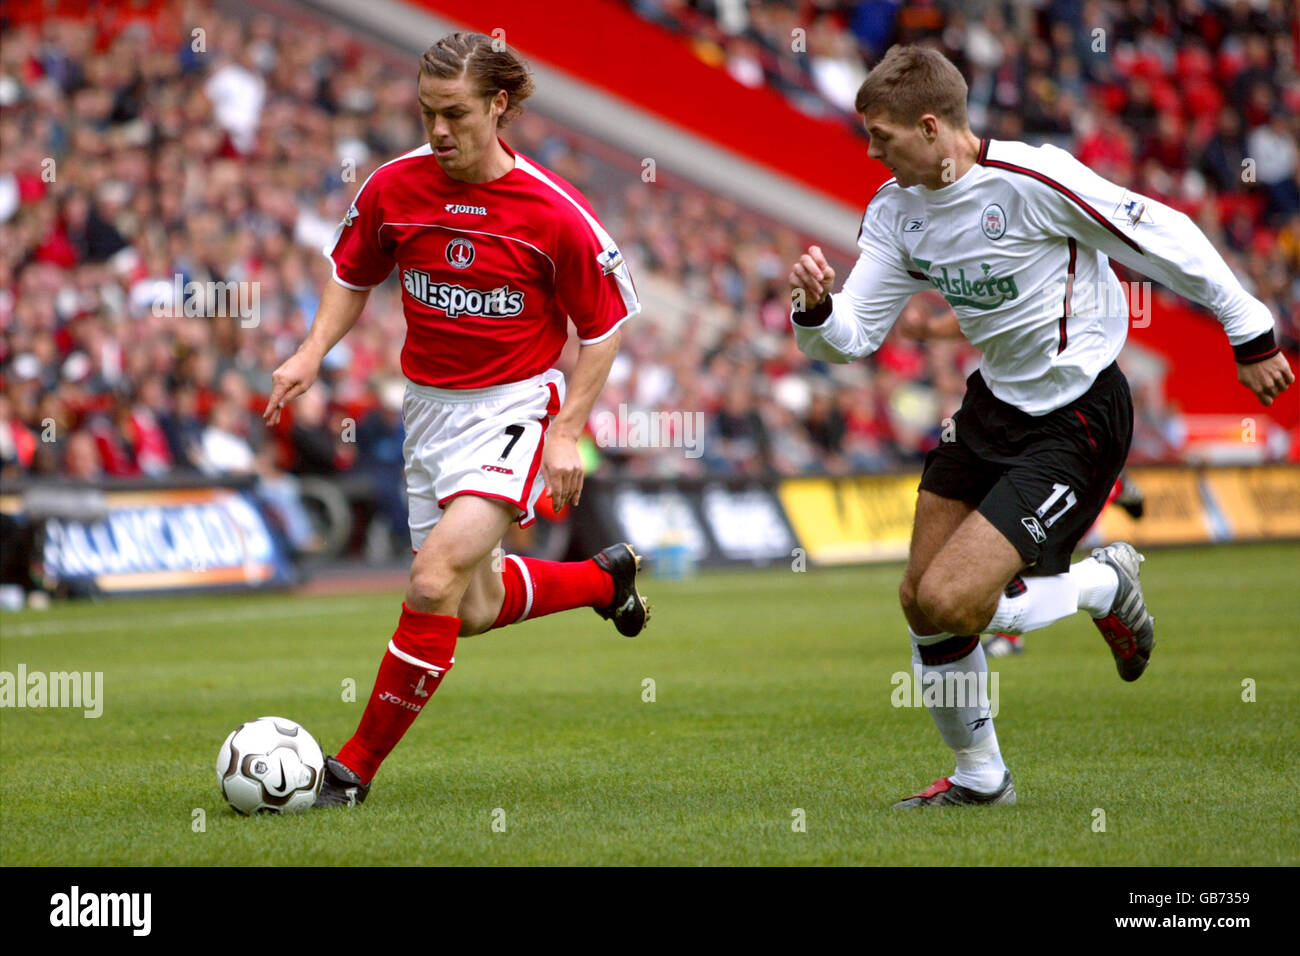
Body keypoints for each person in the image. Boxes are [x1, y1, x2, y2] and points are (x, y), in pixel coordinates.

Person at [788, 45, 1293, 808]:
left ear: (931, 127)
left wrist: (1248, 331)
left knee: (954, 600)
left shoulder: (1035, 181)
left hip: (1078, 413)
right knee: (920, 597)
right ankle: (981, 779)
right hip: (993, 406)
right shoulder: (896, 210)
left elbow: (1164, 232)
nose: (870, 150)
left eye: (882, 135)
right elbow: (855, 335)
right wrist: (819, 313)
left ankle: (1099, 582)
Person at [264, 33, 649, 808]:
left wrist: (567, 430)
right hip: (429, 413)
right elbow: (352, 273)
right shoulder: (394, 187)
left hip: (515, 407)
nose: (438, 130)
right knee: (468, 608)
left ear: (499, 106)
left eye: (455, 114)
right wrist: (309, 354)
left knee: (433, 578)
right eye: (426, 112)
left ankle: (353, 769)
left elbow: (605, 325)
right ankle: (602, 581)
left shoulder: (553, 212)